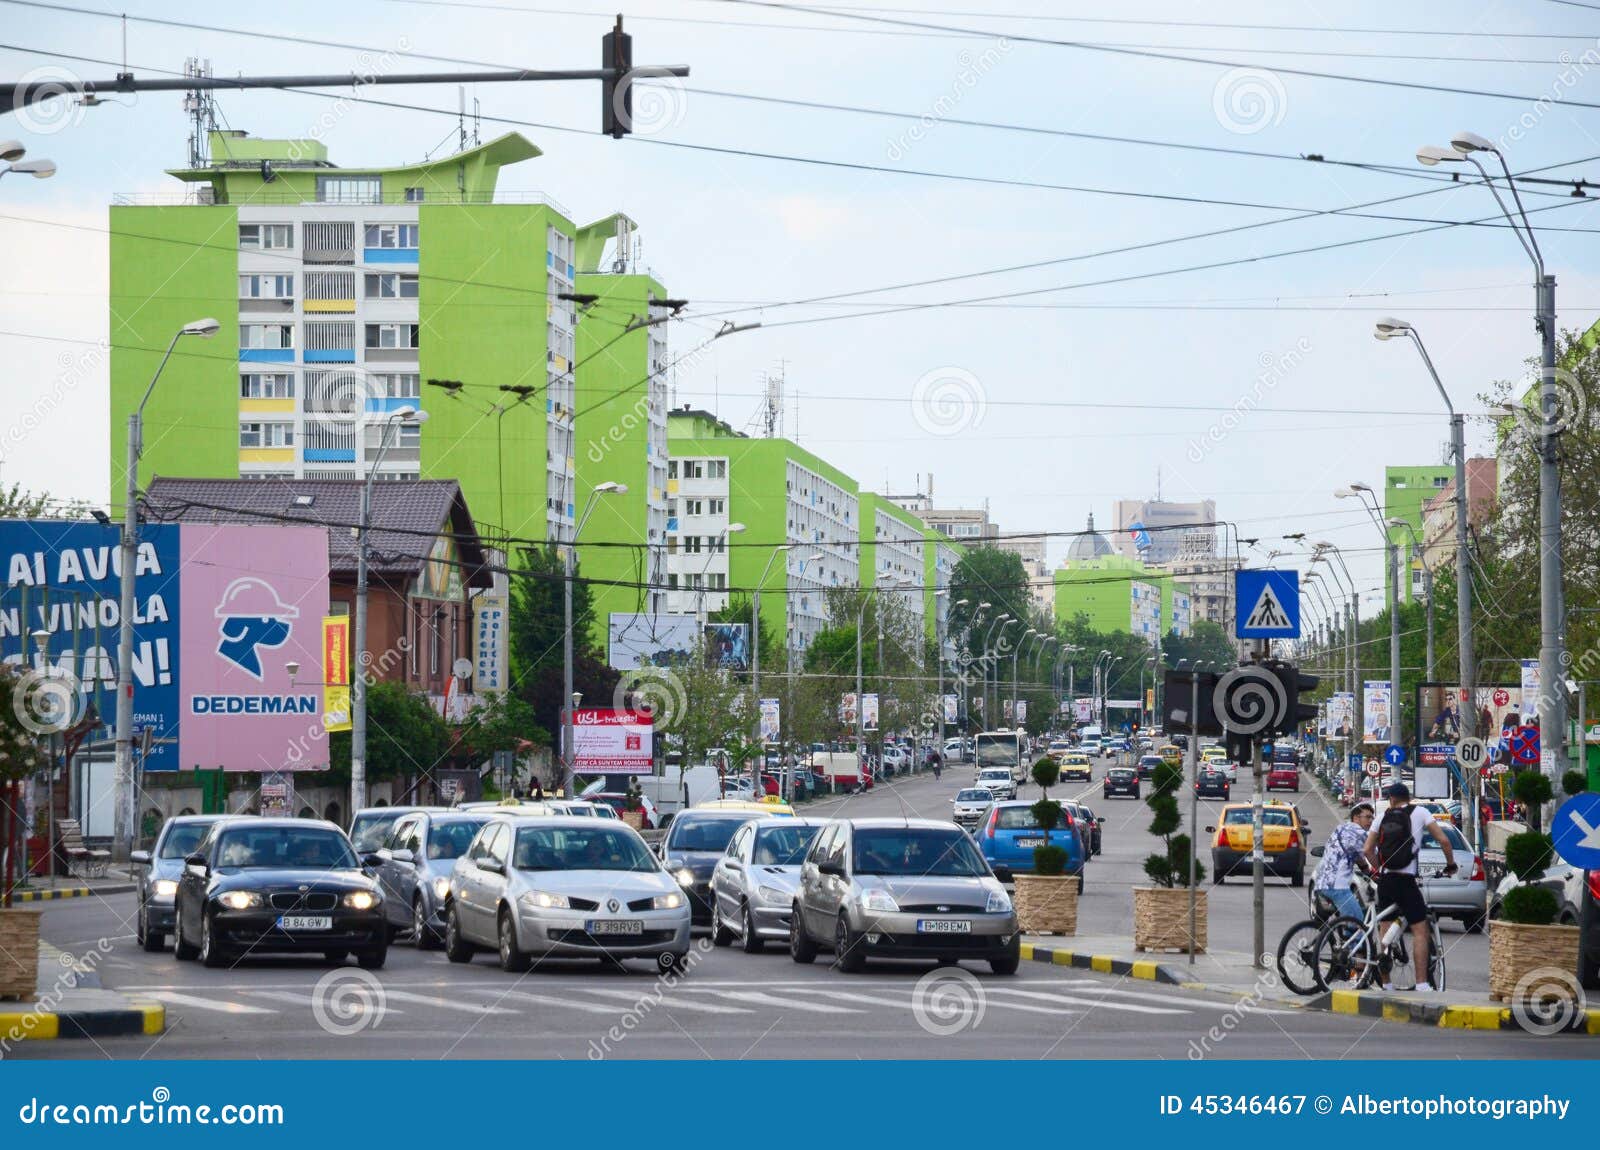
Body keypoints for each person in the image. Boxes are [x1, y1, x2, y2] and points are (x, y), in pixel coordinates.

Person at [1362, 782, 1456, 992]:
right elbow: (1444, 841)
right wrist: (1450, 865)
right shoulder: (1421, 812)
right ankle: (1422, 983)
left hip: (1386, 881)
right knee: (1420, 930)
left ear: (1392, 799)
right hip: (1406, 880)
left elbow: (1367, 849)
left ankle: (1386, 984)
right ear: (1408, 799)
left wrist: (1380, 870)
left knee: (1384, 929)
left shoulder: (1382, 817)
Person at [1312, 801, 1375, 922]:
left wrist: (1367, 871)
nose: (1371, 821)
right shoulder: (1359, 832)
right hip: (1337, 886)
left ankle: (1340, 938)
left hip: (1321, 884)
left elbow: (1357, 857)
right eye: (1367, 817)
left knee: (1346, 918)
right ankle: (1353, 940)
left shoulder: (1340, 828)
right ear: (1356, 817)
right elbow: (1373, 852)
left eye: (1372, 817)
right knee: (1357, 921)